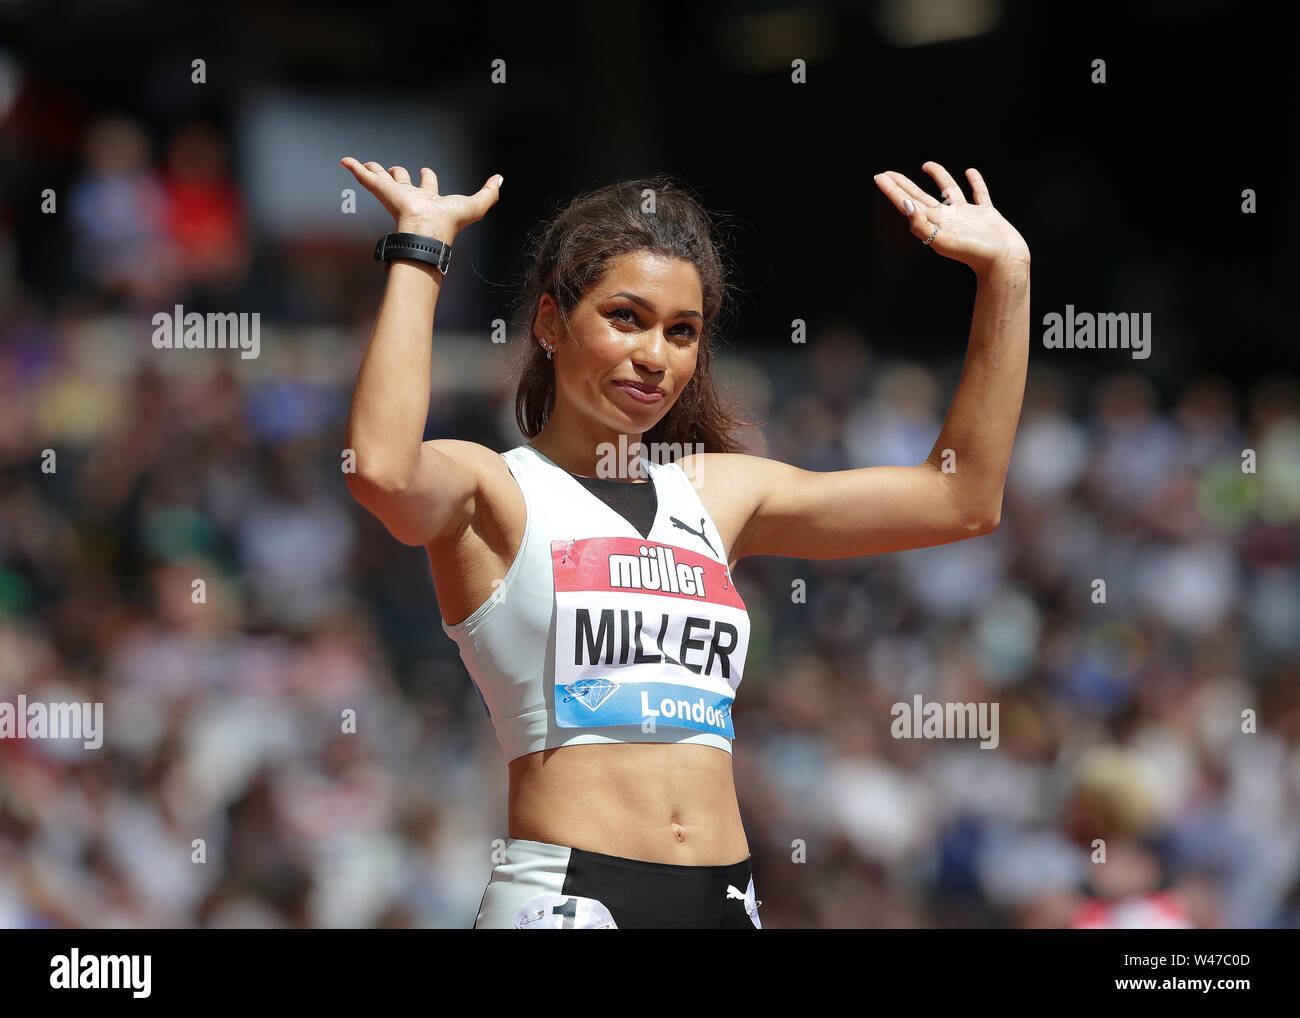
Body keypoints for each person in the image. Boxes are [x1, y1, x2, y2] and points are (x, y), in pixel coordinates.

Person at [338, 156, 1031, 928]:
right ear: (547, 322)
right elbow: (382, 470)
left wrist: (1007, 274)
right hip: (569, 899)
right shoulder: (494, 489)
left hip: (725, 901)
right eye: (625, 317)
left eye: (683, 331)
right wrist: (422, 247)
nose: (654, 355)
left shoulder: (719, 492)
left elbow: (961, 497)